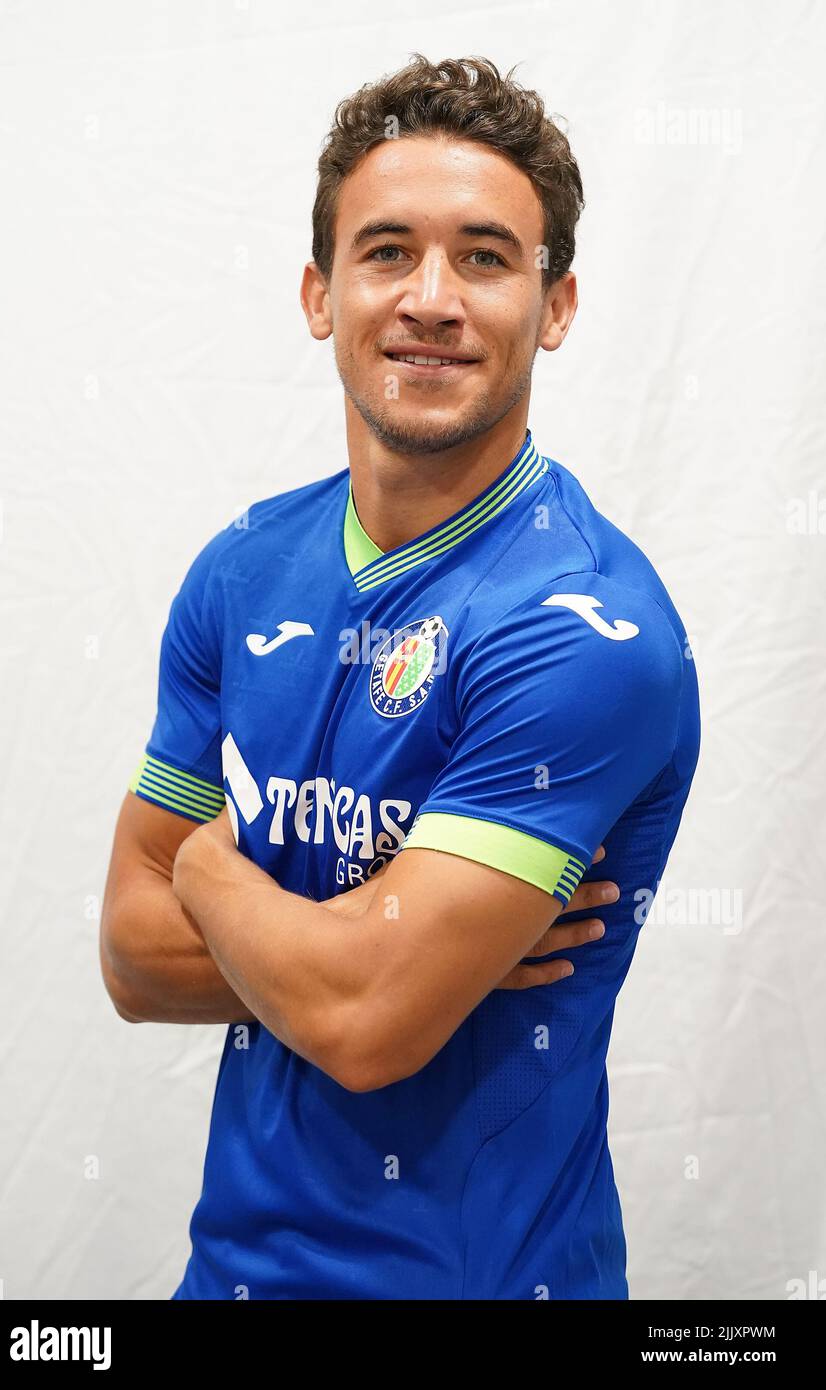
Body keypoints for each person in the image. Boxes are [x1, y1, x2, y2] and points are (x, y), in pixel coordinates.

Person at [100, 53, 700, 1300]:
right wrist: (358, 953)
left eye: (483, 257)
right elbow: (130, 954)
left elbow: (370, 1024)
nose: (430, 297)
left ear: (556, 305)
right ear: (321, 294)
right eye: (386, 252)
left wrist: (214, 869)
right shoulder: (241, 569)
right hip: (230, 1277)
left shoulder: (585, 628)